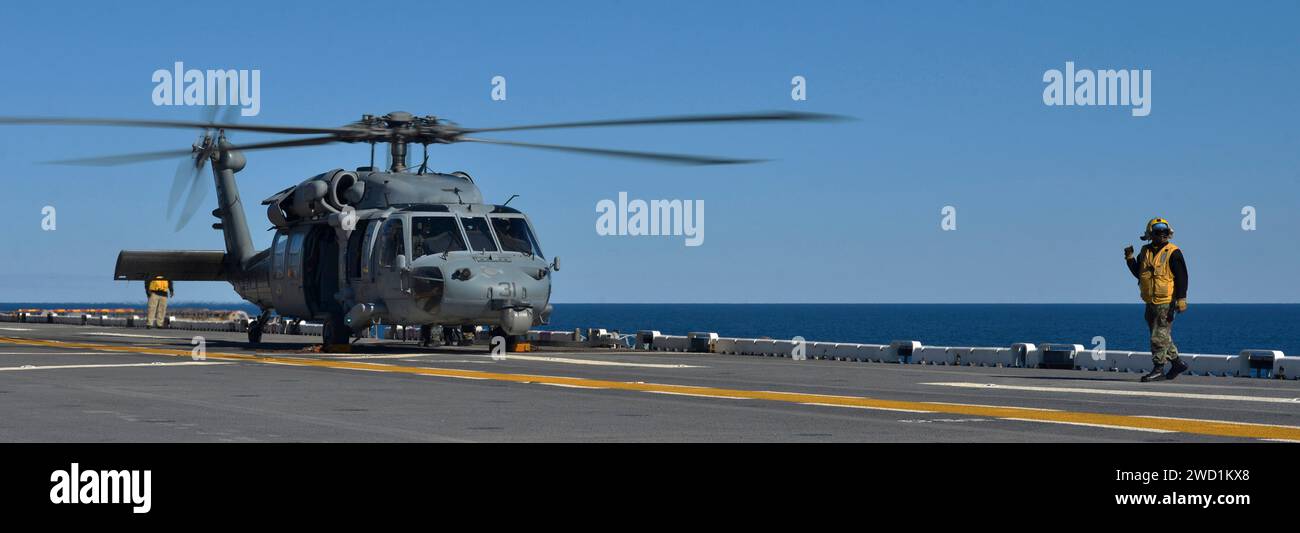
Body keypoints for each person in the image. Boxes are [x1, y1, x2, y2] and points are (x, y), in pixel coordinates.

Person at [1124, 218, 1189, 382]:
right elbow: (1139, 273)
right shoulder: (1145, 251)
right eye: (1158, 231)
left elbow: (1182, 277)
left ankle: (1159, 368)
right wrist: (1130, 258)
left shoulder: (1173, 252)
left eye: (1164, 231)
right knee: (1161, 335)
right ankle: (1177, 363)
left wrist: (1181, 298)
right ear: (1150, 234)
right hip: (1150, 302)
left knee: (1157, 336)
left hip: (1166, 302)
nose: (1162, 234)